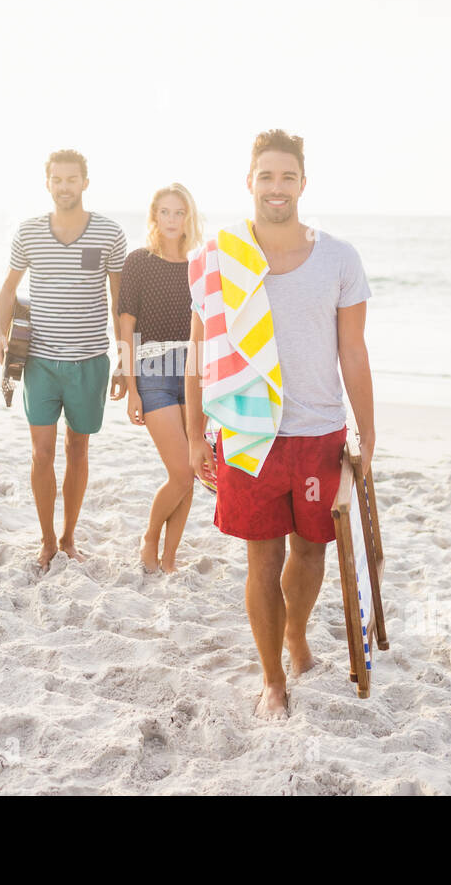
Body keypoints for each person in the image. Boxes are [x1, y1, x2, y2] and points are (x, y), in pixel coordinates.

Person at [186, 130, 375, 719]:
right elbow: (199, 354)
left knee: (313, 551)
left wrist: (366, 433)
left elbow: (354, 352)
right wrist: (196, 434)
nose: (276, 187)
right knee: (261, 559)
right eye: (265, 176)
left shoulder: (340, 258)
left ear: (302, 183)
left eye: (286, 177)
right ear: (249, 182)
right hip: (247, 432)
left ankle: (295, 634)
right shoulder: (220, 258)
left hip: (319, 433)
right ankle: (273, 679)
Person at [0, 149, 128, 570]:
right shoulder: (29, 232)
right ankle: (47, 540)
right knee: (41, 453)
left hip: (90, 360)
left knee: (78, 448)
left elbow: (119, 301)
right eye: (58, 179)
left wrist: (125, 359)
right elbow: (7, 290)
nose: (65, 186)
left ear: (85, 182)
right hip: (41, 361)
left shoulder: (109, 233)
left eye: (73, 179)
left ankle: (69, 536)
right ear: (47, 183)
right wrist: (1, 335)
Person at [118, 183, 203, 573]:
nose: (171, 220)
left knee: (192, 471)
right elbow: (126, 326)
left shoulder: (200, 264)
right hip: (152, 370)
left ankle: (169, 558)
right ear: (154, 217)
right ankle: (150, 536)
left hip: (193, 369)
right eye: (164, 212)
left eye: (179, 212)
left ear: (189, 217)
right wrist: (131, 386)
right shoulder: (138, 262)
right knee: (182, 472)